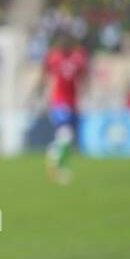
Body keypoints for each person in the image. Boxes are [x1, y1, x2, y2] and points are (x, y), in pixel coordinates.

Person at [34, 31, 89, 185]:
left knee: (68, 138)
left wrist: (85, 94)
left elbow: (84, 76)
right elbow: (44, 74)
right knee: (65, 133)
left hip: (72, 102)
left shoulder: (78, 58)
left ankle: (60, 164)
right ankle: (53, 157)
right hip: (59, 102)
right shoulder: (54, 57)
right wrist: (39, 91)